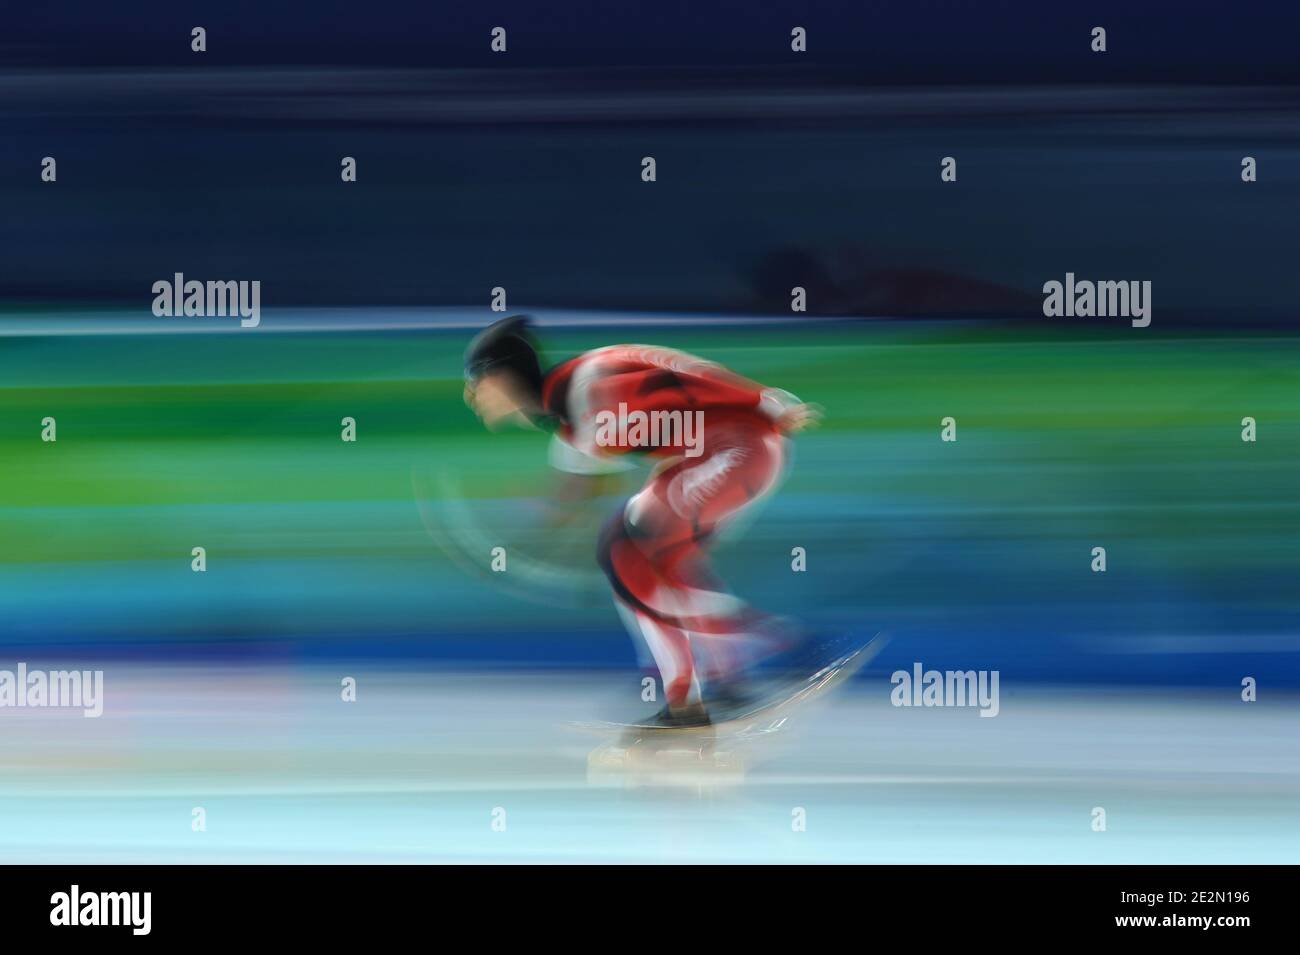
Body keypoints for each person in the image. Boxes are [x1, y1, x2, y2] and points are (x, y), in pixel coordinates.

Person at [463, 315, 820, 727]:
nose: (472, 397)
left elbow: (681, 372)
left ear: (502, 376)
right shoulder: (572, 426)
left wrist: (763, 400)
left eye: (476, 382)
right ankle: (711, 688)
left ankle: (780, 645)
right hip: (712, 458)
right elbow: (569, 496)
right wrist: (525, 524)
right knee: (637, 564)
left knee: (626, 552)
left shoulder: (594, 379)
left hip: (739, 450)